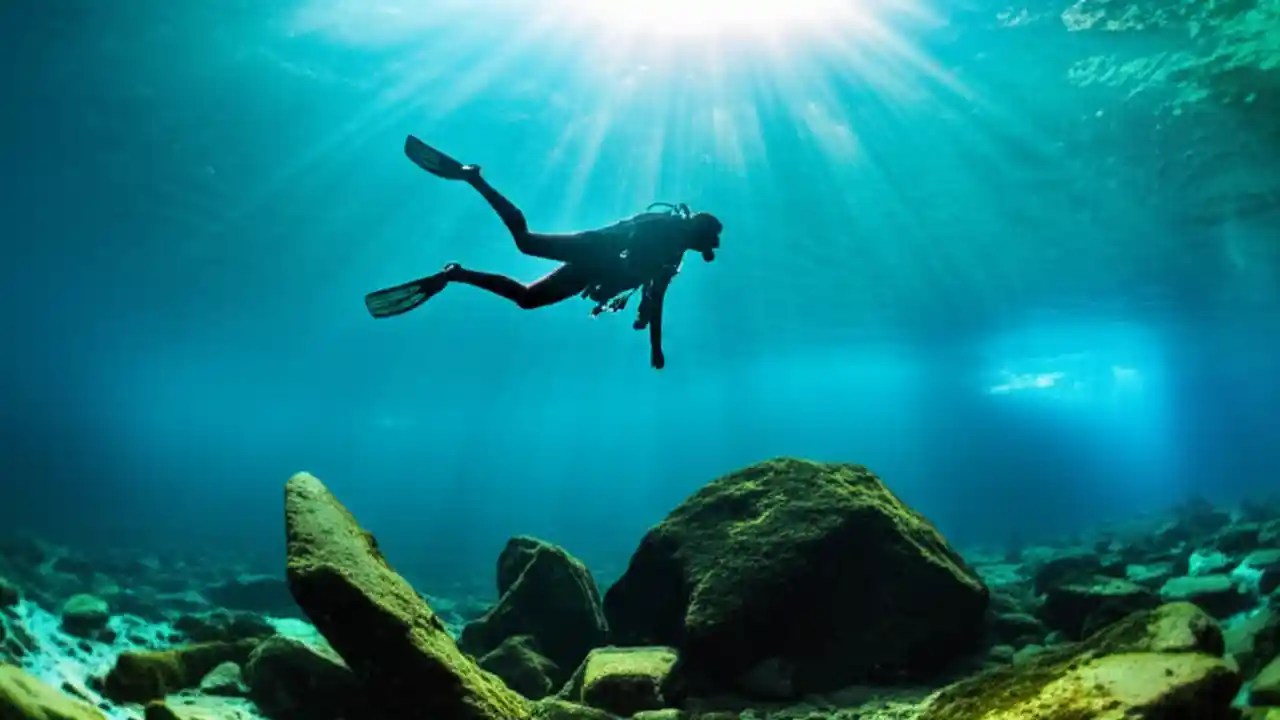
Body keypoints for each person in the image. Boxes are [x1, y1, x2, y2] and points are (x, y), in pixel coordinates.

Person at [364, 135, 724, 370]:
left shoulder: (673, 255)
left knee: (527, 298)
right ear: (699, 231)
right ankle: (474, 178)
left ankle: (455, 274)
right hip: (595, 250)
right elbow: (638, 259)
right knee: (525, 242)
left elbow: (656, 299)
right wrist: (653, 342)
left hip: (593, 270)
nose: (710, 248)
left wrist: (654, 347)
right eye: (710, 240)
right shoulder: (665, 231)